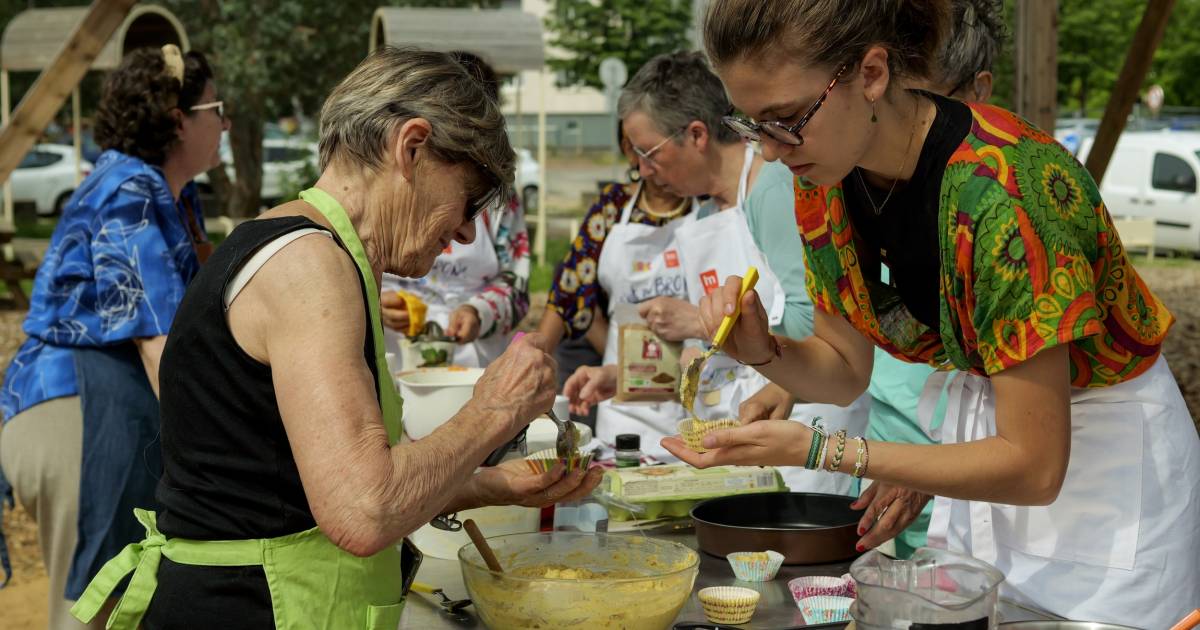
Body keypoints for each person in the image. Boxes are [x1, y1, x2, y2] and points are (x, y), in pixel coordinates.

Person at [669, 1, 1200, 626]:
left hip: (1099, 468)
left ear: (871, 73)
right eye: (753, 125)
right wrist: (762, 350)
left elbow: (1034, 465)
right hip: (995, 448)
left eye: (786, 119)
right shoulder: (825, 181)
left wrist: (821, 449)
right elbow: (843, 369)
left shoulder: (1005, 190)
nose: (774, 151)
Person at [68, 47, 601, 630]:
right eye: (469, 199)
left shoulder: (324, 255)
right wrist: (495, 410)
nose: (468, 228)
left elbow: (330, 482)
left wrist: (492, 485)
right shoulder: (309, 267)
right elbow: (364, 509)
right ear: (412, 147)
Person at [566, 52, 869, 494]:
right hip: (734, 437)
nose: (644, 172)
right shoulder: (702, 214)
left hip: (803, 433)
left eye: (649, 154)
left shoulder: (773, 190)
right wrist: (621, 377)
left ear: (696, 135)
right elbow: (704, 355)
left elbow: (815, 327)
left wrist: (701, 322)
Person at [0, 46, 225, 630]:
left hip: (102, 407)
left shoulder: (173, 193)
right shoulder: (128, 191)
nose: (225, 124)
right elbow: (160, 342)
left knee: (126, 601)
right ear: (179, 119)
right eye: (217, 109)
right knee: (98, 610)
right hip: (83, 407)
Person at [851, 0, 1008, 560]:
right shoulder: (863, 182)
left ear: (975, 91)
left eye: (916, 101)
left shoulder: (1008, 196)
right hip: (944, 456)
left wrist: (832, 450)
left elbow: (1033, 449)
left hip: (1087, 476)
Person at [538, 117, 694, 435]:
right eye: (639, 149)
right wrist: (532, 362)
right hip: (622, 404)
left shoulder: (707, 206)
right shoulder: (613, 206)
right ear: (628, 148)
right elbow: (568, 293)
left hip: (698, 403)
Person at [380, 51, 530, 369]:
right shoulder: (395, 182)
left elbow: (517, 285)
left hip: (470, 361)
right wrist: (375, 303)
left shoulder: (499, 196)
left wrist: (479, 312)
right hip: (393, 356)